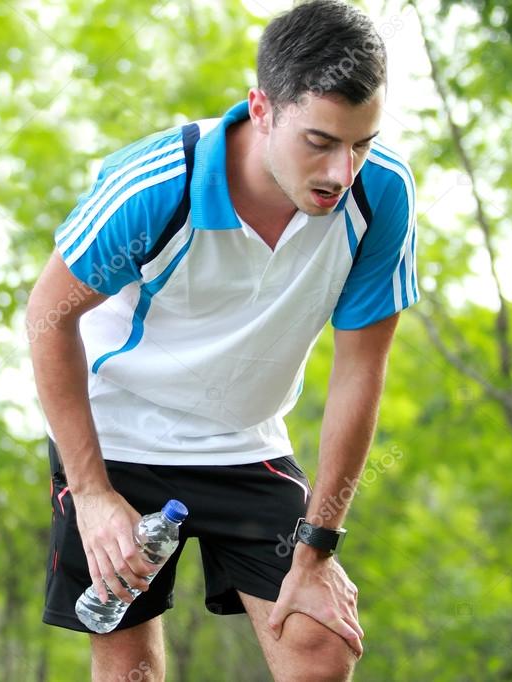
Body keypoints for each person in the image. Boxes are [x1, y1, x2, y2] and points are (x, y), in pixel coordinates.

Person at [25, 1, 418, 680]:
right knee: (130, 672)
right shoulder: (156, 183)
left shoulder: (379, 198)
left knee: (320, 648)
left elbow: (359, 372)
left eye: (361, 143)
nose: (339, 172)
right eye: (319, 141)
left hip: (246, 442)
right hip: (118, 438)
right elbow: (46, 316)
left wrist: (317, 548)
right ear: (261, 108)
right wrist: (90, 493)